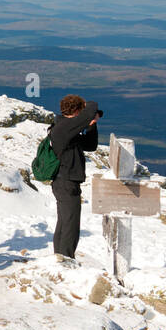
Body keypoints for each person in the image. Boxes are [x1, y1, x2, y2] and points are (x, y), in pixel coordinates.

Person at [48, 94, 102, 263]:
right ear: (78, 110)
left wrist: (92, 126)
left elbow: (90, 145)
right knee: (70, 224)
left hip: (65, 181)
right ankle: (66, 260)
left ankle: (60, 258)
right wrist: (89, 106)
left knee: (65, 222)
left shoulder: (67, 130)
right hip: (65, 181)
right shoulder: (64, 127)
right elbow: (88, 112)